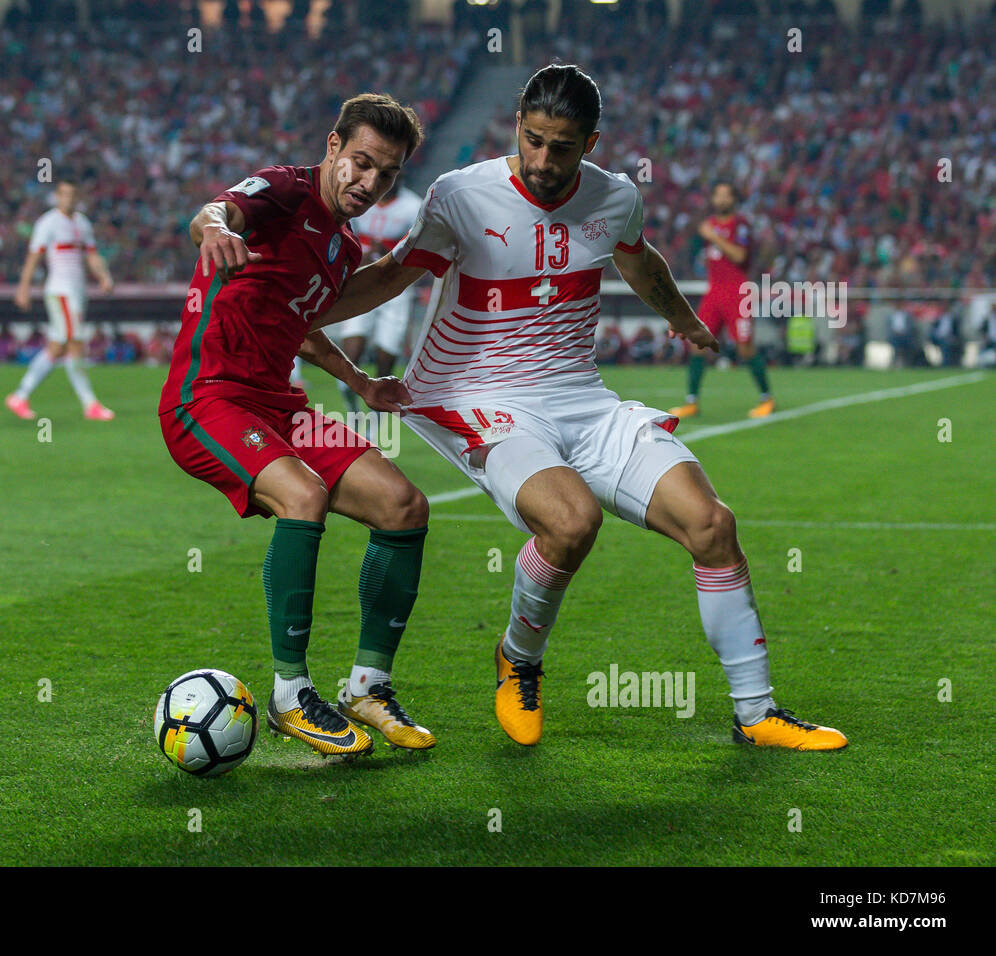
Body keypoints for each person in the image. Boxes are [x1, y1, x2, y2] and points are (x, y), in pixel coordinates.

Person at [313, 65, 846, 752]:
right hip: (484, 400)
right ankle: (519, 660)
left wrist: (684, 321)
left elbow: (639, 258)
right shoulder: (461, 195)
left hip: (582, 400)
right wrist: (296, 311)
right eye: (531, 140)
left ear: (589, 144)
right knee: (571, 522)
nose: (541, 160)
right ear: (517, 127)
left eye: (560, 147)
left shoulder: (613, 198)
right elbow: (391, 275)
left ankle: (756, 713)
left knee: (712, 525)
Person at [158, 93, 434, 758]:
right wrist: (217, 229)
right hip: (208, 398)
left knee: (404, 505)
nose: (368, 182)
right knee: (304, 494)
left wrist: (361, 382)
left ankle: (368, 686)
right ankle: (289, 695)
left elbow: (301, 329)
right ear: (334, 146)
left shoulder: (343, 246)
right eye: (361, 162)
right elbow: (214, 214)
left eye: (386, 174)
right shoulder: (284, 189)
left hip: (280, 407)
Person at [7, 179, 115, 421]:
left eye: (72, 194)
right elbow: (34, 256)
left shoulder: (82, 223)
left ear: (77, 197)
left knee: (58, 346)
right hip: (60, 291)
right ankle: (90, 404)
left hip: (79, 292)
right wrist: (23, 288)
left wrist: (104, 276)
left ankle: (19, 396)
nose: (68, 198)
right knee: (75, 342)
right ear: (57, 196)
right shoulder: (48, 222)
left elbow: (92, 255)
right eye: (63, 194)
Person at [669, 181, 775, 419]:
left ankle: (767, 398)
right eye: (718, 195)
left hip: (737, 293)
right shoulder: (708, 225)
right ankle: (692, 401)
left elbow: (739, 255)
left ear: (734, 199)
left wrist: (713, 236)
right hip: (714, 292)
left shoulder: (740, 224)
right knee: (696, 343)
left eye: (727, 195)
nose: (722, 200)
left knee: (745, 347)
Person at [329, 179, 423, 420]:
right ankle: (351, 407)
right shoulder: (362, 201)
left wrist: (390, 252)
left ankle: (375, 423)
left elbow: (421, 247)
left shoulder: (413, 206)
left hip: (398, 288)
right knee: (352, 344)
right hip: (363, 280)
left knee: (386, 353)